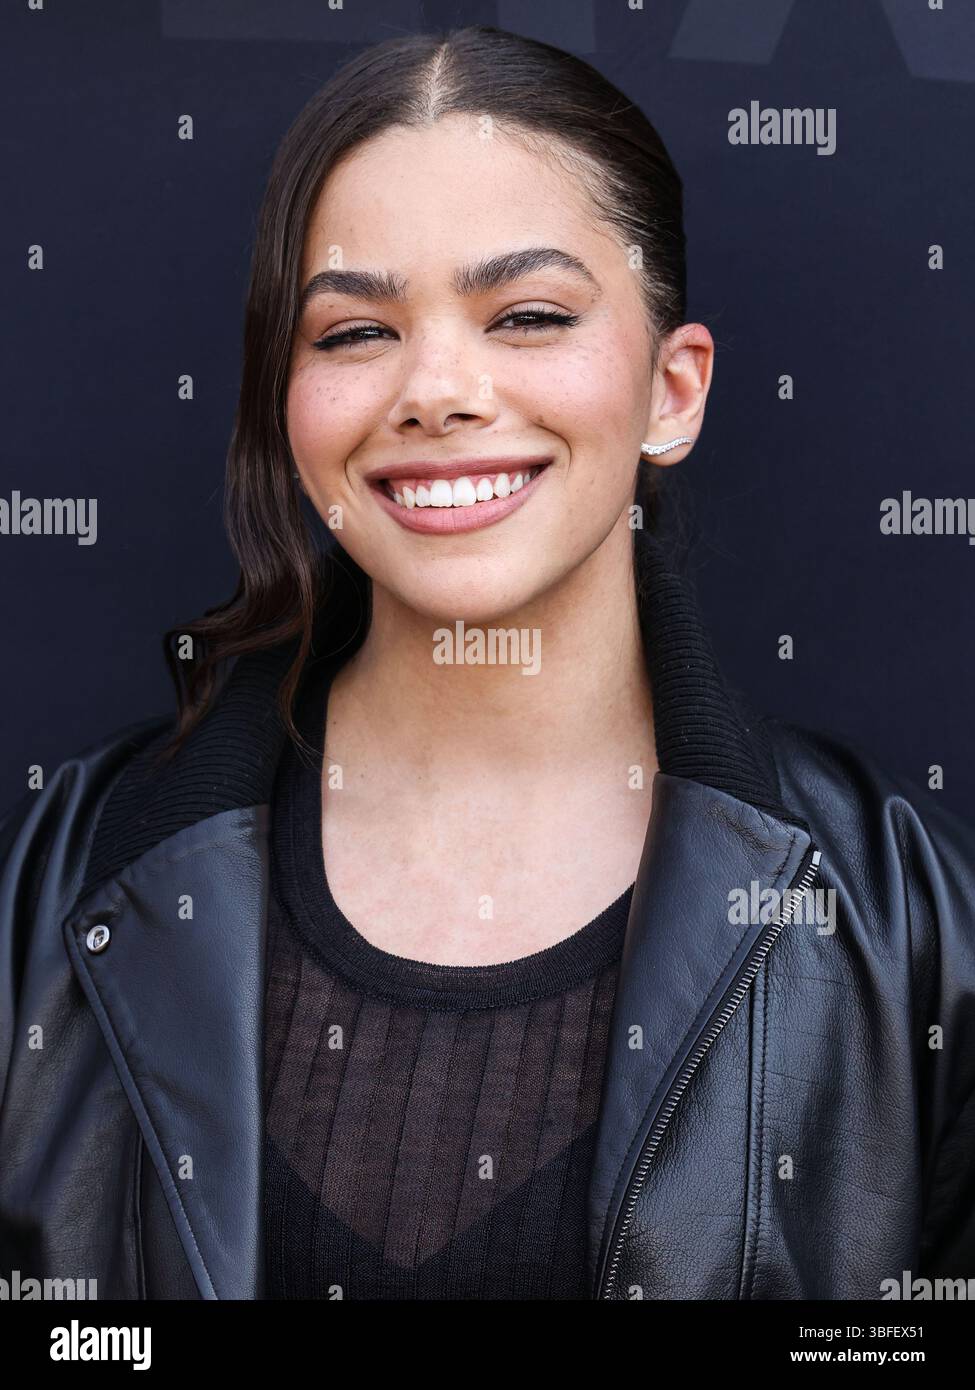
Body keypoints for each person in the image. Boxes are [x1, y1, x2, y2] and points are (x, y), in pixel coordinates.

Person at [1, 24, 973, 1303]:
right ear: (286, 402)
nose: (438, 388)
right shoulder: (53, 893)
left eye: (528, 314)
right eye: (353, 333)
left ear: (673, 393)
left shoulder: (908, 930)